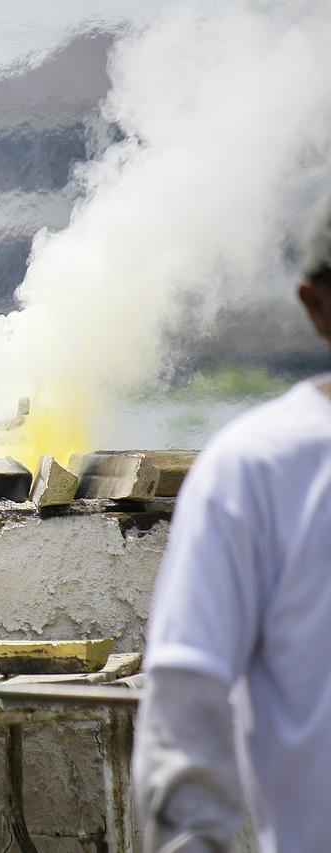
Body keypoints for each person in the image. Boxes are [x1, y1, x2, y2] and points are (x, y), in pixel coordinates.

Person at [133, 192, 331, 852]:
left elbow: (182, 705)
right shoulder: (256, 471)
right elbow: (186, 696)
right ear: (316, 305)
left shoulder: (251, 468)